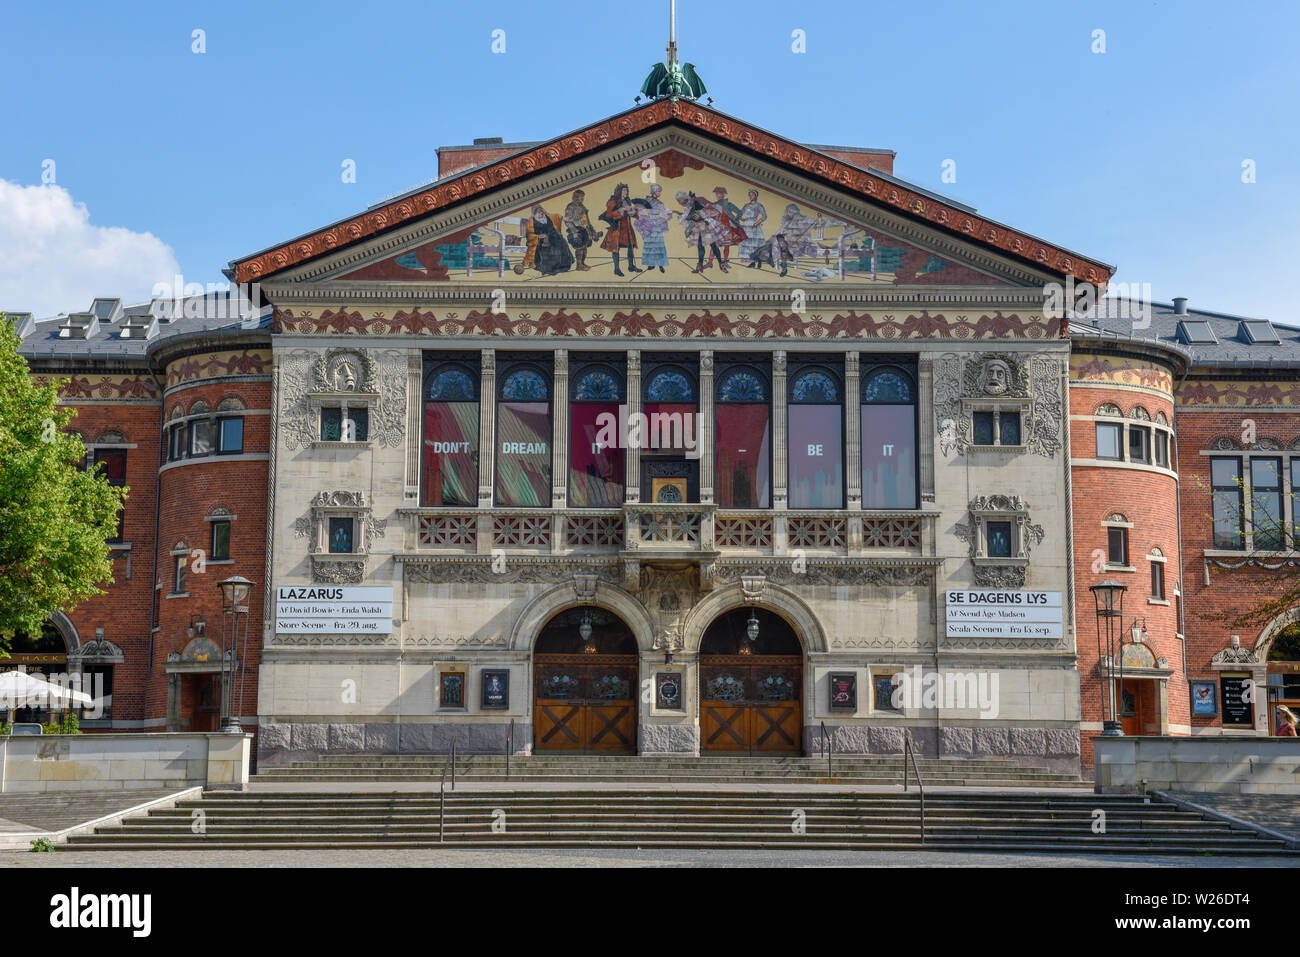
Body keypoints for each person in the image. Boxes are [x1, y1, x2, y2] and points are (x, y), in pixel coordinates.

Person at [600, 183, 641, 276]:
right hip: (617, 228)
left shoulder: (627, 201)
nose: (625, 192)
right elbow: (609, 215)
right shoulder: (613, 202)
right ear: (619, 191)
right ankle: (617, 269)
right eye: (624, 190)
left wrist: (632, 210)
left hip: (626, 228)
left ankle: (631, 266)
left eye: (626, 190)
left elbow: (632, 214)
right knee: (615, 248)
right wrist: (622, 210)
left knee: (630, 246)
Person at [634, 184, 675, 272]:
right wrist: (643, 216)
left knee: (659, 245)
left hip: (657, 224)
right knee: (649, 245)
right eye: (658, 191)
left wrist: (669, 213)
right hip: (649, 224)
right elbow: (640, 211)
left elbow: (664, 213)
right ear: (653, 191)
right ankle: (651, 264)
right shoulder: (646, 201)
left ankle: (660, 264)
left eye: (660, 191)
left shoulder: (660, 203)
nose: (659, 193)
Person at [562, 190, 601, 271]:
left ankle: (582, 264)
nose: (583, 198)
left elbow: (586, 219)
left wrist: (591, 230)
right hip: (576, 230)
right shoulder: (570, 207)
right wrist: (575, 232)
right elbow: (567, 221)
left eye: (583, 196)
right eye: (581, 196)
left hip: (584, 229)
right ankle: (579, 265)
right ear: (576, 197)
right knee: (579, 248)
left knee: (584, 247)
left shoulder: (582, 206)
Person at [737, 189, 768, 263]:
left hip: (754, 224)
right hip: (746, 224)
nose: (751, 196)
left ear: (756, 196)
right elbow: (740, 213)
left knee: (752, 242)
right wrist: (741, 219)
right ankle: (744, 257)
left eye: (752, 195)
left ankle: (752, 257)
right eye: (749, 195)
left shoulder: (758, 205)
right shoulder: (746, 205)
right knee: (744, 240)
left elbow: (764, 216)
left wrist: (757, 223)